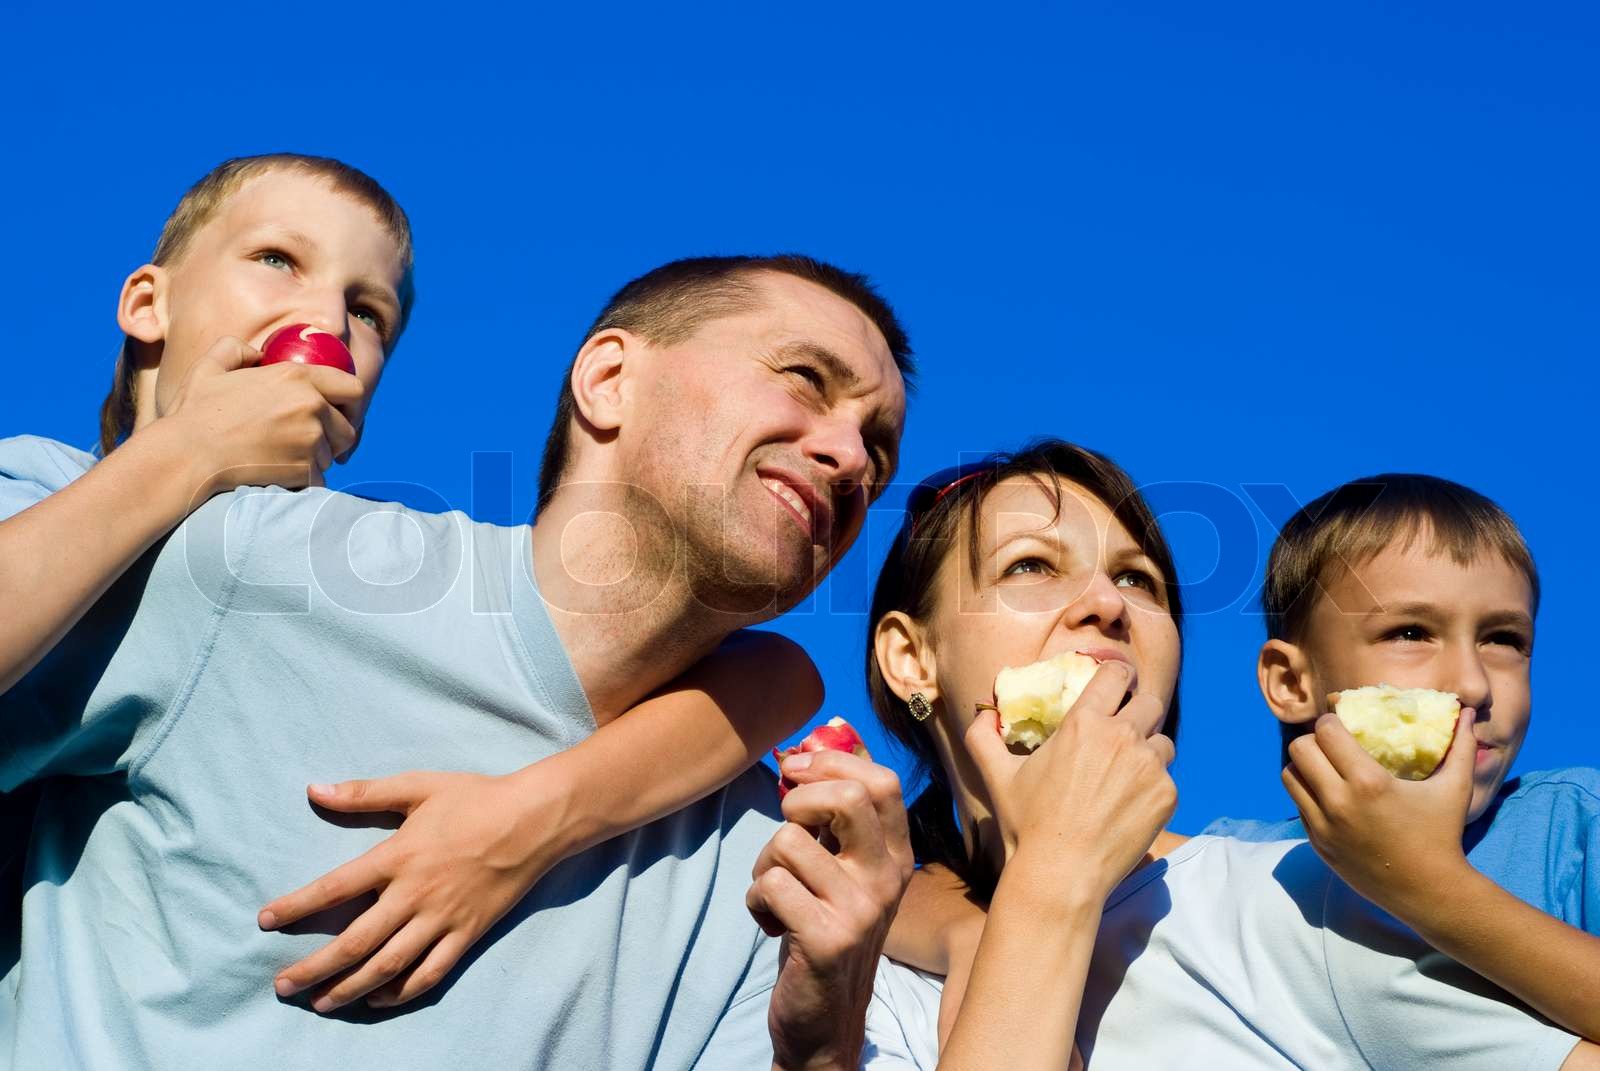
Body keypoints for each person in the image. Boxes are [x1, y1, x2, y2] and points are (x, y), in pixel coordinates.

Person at [0, 254, 915, 1068]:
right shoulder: (262, 570)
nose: (848, 459)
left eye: (878, 448)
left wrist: (822, 1049)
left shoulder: (772, 878)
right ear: (608, 380)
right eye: (802, 378)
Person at [840, 442, 1596, 1068]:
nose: (1106, 601)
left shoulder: (1293, 907)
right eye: (1031, 565)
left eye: (1138, 579)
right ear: (911, 658)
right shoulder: (853, 989)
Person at [0, 151, 413, 974]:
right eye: (276, 259)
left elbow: (746, 668)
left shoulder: (363, 567)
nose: (327, 321)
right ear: (148, 304)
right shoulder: (38, 481)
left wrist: (536, 810)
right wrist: (192, 448)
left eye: (368, 312)